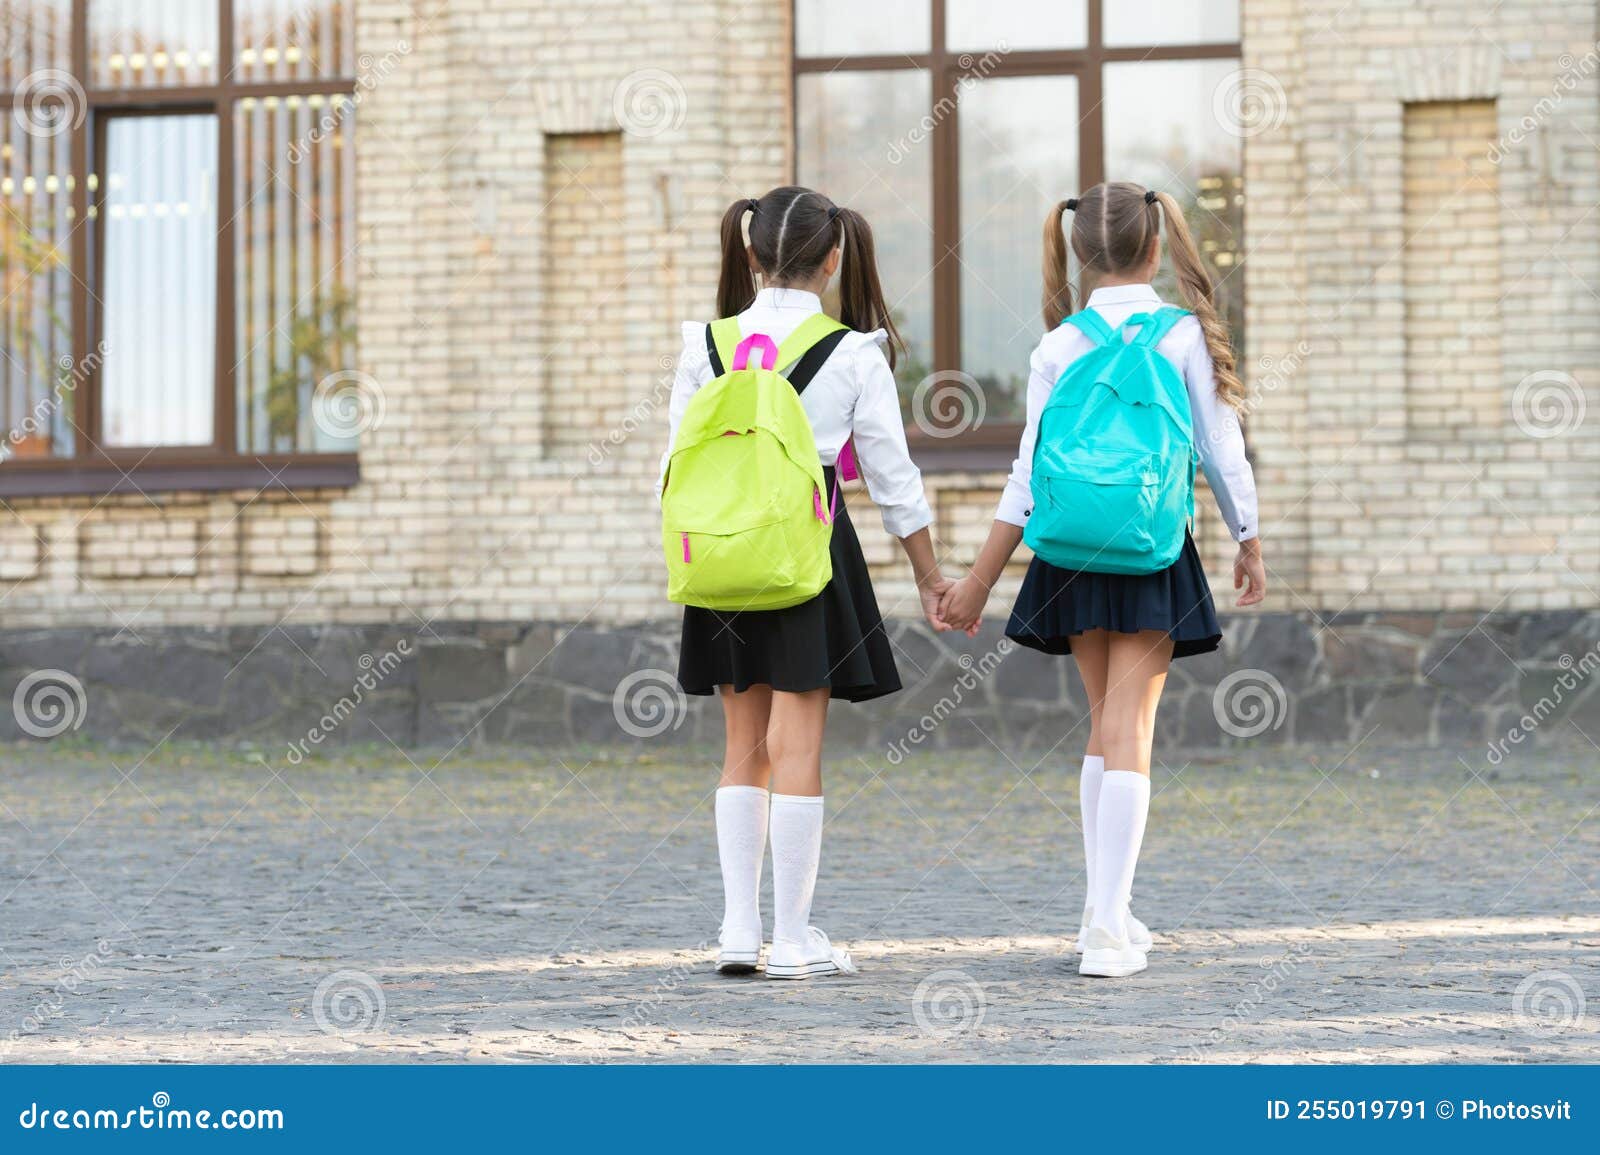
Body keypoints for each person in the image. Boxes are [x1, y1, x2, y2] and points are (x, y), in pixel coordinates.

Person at [939, 182, 1266, 978]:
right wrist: (1248, 537)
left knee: (1101, 727)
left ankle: (1102, 906)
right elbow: (1222, 452)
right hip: (1153, 546)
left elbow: (1025, 475)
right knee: (1133, 735)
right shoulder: (1182, 334)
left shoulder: (1059, 345)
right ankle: (1108, 929)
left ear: (1081, 252)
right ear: (1155, 247)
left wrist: (980, 579)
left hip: (1071, 552)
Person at [661, 186, 957, 979]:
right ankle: (792, 937)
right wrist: (930, 576)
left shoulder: (704, 344)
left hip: (723, 558)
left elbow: (672, 469)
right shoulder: (853, 352)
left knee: (740, 748)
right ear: (834, 260)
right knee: (797, 748)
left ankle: (735, 928)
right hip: (808, 556)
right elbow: (894, 480)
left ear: (750, 255)